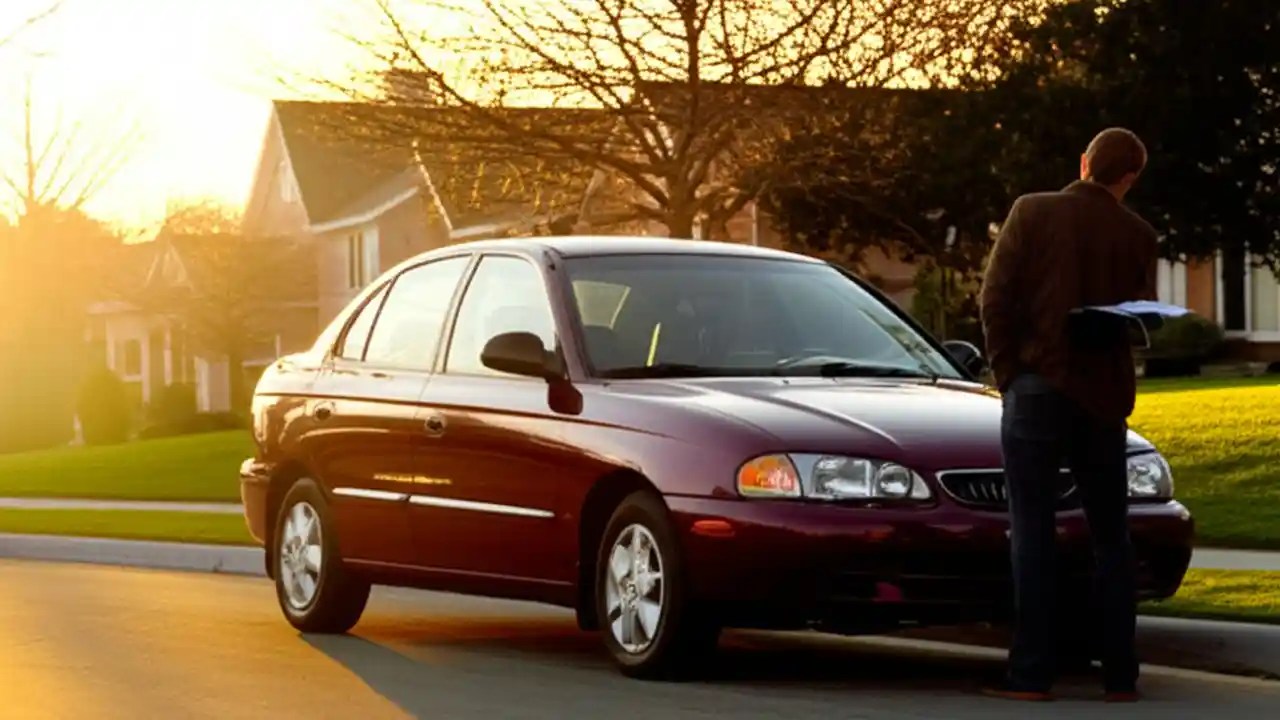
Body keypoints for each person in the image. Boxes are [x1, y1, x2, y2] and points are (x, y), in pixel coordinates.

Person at [979, 128, 1159, 702]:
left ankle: (1031, 674)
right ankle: (1119, 674)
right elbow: (1134, 318)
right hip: (1103, 397)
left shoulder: (1031, 212)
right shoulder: (1138, 234)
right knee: (1112, 535)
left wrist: (1010, 375)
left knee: (1031, 530)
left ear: (1084, 162)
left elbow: (995, 298)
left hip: (1036, 388)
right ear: (1129, 177)